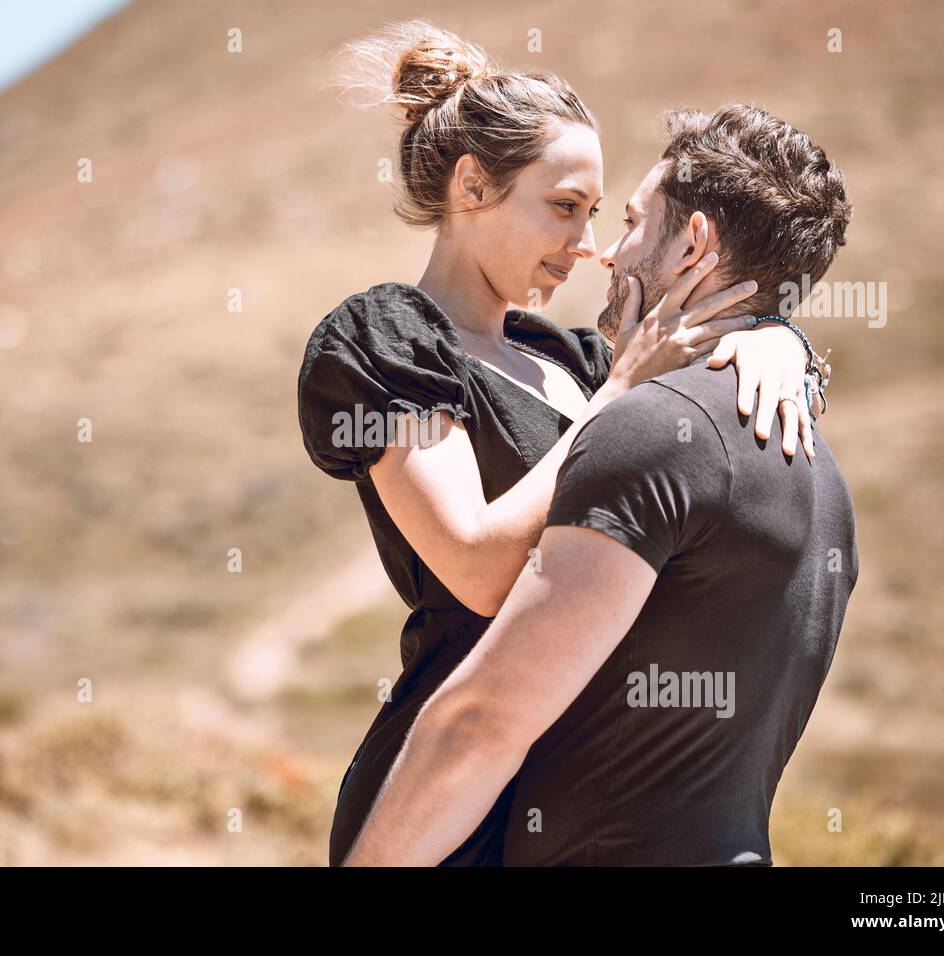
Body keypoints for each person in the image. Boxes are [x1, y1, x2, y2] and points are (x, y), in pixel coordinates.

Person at [296, 22, 819, 867]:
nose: (588, 246)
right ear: (472, 185)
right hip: (444, 800)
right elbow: (471, 564)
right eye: (563, 208)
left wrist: (782, 346)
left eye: (596, 214)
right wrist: (617, 397)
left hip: (576, 797)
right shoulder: (388, 338)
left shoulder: (567, 356)